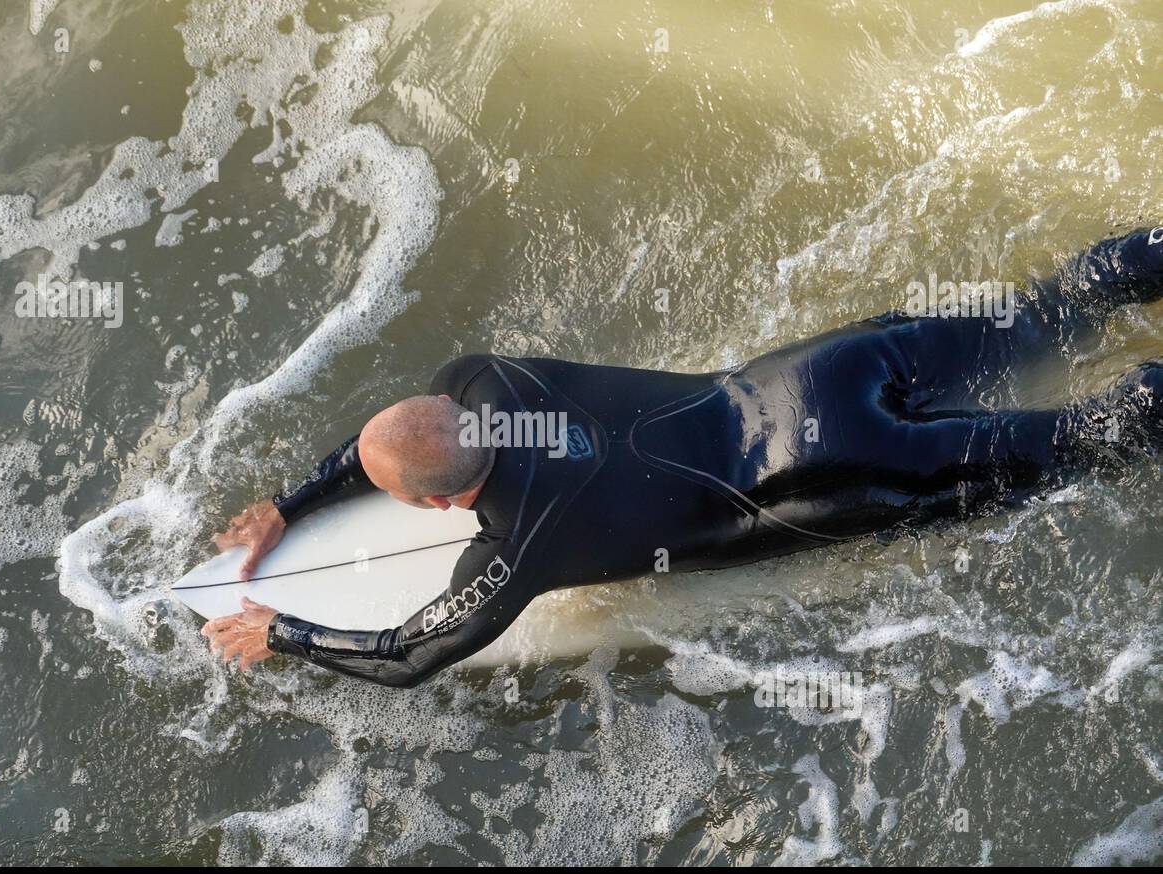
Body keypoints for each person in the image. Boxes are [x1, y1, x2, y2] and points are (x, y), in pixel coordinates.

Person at [202, 227, 1163, 687]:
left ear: (437, 507)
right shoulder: (486, 379)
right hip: (822, 374)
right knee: (1053, 304)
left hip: (846, 474)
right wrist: (292, 501)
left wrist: (280, 631)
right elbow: (404, 439)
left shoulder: (515, 548)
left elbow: (411, 653)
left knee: (1095, 437)